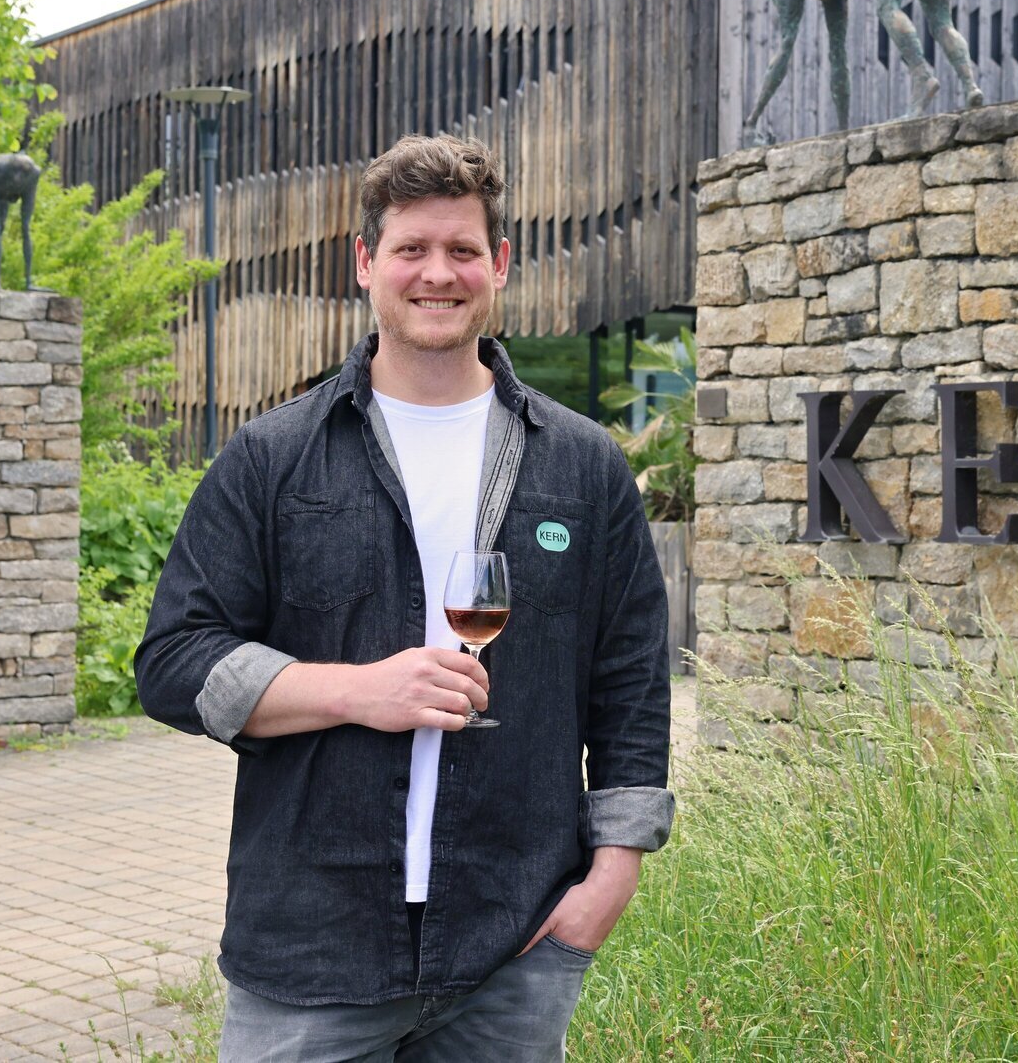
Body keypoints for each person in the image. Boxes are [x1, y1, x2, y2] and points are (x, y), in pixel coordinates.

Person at [135, 134, 674, 1062]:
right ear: (366, 265)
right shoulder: (271, 458)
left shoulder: (582, 465)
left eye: (463, 250)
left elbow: (629, 677)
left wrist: (613, 873)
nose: (439, 274)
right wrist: (358, 692)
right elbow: (174, 661)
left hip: (516, 939)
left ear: (499, 266)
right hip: (310, 940)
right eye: (412, 250)